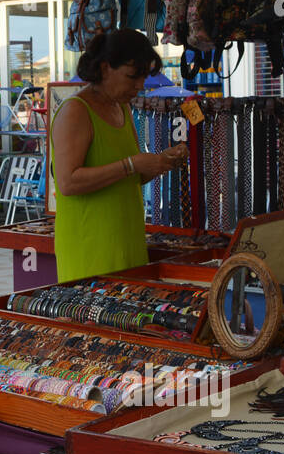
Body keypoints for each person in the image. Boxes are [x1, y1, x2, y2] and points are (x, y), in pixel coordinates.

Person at [50, 29, 189, 282]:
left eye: (143, 78)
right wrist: (132, 164)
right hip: (89, 247)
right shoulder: (76, 111)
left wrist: (160, 162)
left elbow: (127, 177)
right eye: (132, 77)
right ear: (105, 69)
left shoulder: (122, 107)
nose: (139, 86)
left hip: (128, 241)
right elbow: (68, 182)